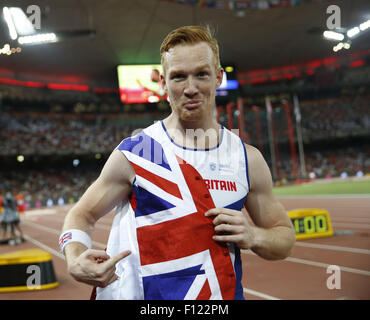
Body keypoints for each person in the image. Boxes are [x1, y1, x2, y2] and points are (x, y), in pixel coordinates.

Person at [60, 25, 295, 300]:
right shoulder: (138, 152)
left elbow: (284, 238)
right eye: (179, 77)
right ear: (162, 82)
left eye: (202, 75)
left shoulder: (246, 158)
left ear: (218, 77)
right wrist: (75, 259)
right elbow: (82, 214)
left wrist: (254, 237)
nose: (191, 88)